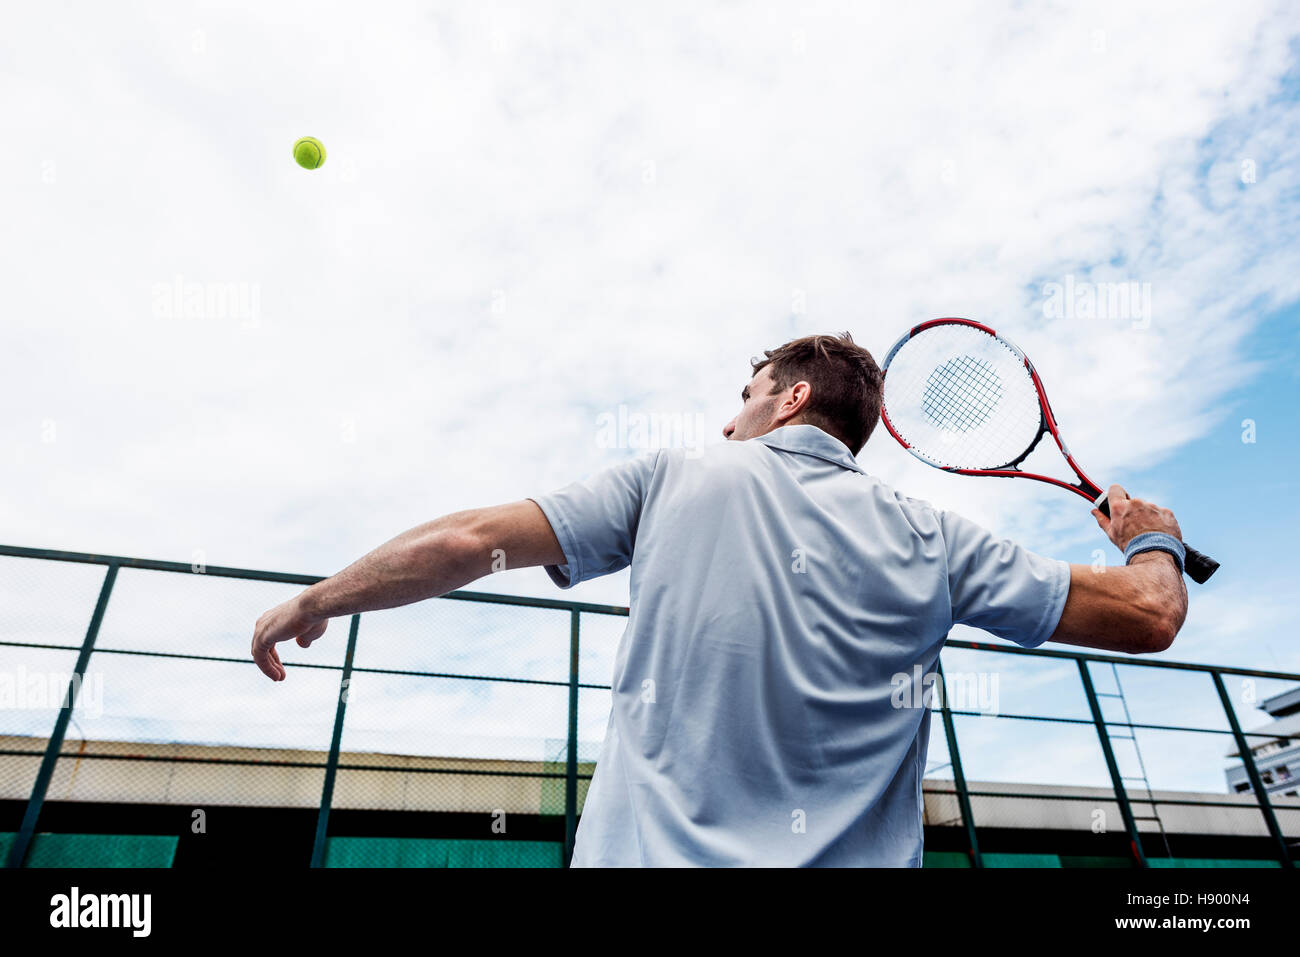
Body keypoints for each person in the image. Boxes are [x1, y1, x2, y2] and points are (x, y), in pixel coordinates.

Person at [251, 332, 1189, 866]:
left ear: (791, 398)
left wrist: (325, 596)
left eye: (744, 394)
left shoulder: (674, 475)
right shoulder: (936, 539)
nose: (725, 416)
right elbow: (1151, 614)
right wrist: (1153, 538)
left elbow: (465, 543)